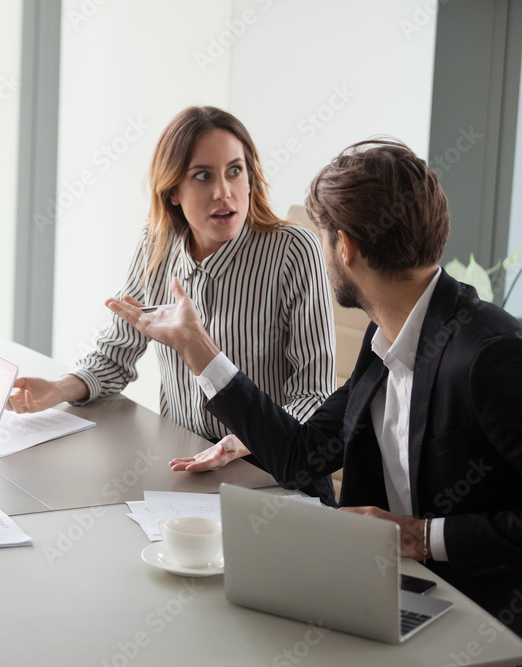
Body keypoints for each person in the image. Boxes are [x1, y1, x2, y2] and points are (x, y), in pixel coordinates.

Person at [108, 138, 522, 635]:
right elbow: (302, 454)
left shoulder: (490, 354)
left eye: (323, 239)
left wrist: (422, 537)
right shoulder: (386, 336)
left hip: (480, 622)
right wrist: (197, 348)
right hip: (386, 595)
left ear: (343, 247)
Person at [7, 106, 337, 502]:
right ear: (173, 193)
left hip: (270, 475)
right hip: (184, 470)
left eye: (235, 171)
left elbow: (313, 398)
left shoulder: (293, 251)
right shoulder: (157, 244)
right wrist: (60, 388)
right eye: (202, 176)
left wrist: (240, 441)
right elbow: (116, 356)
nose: (223, 192)